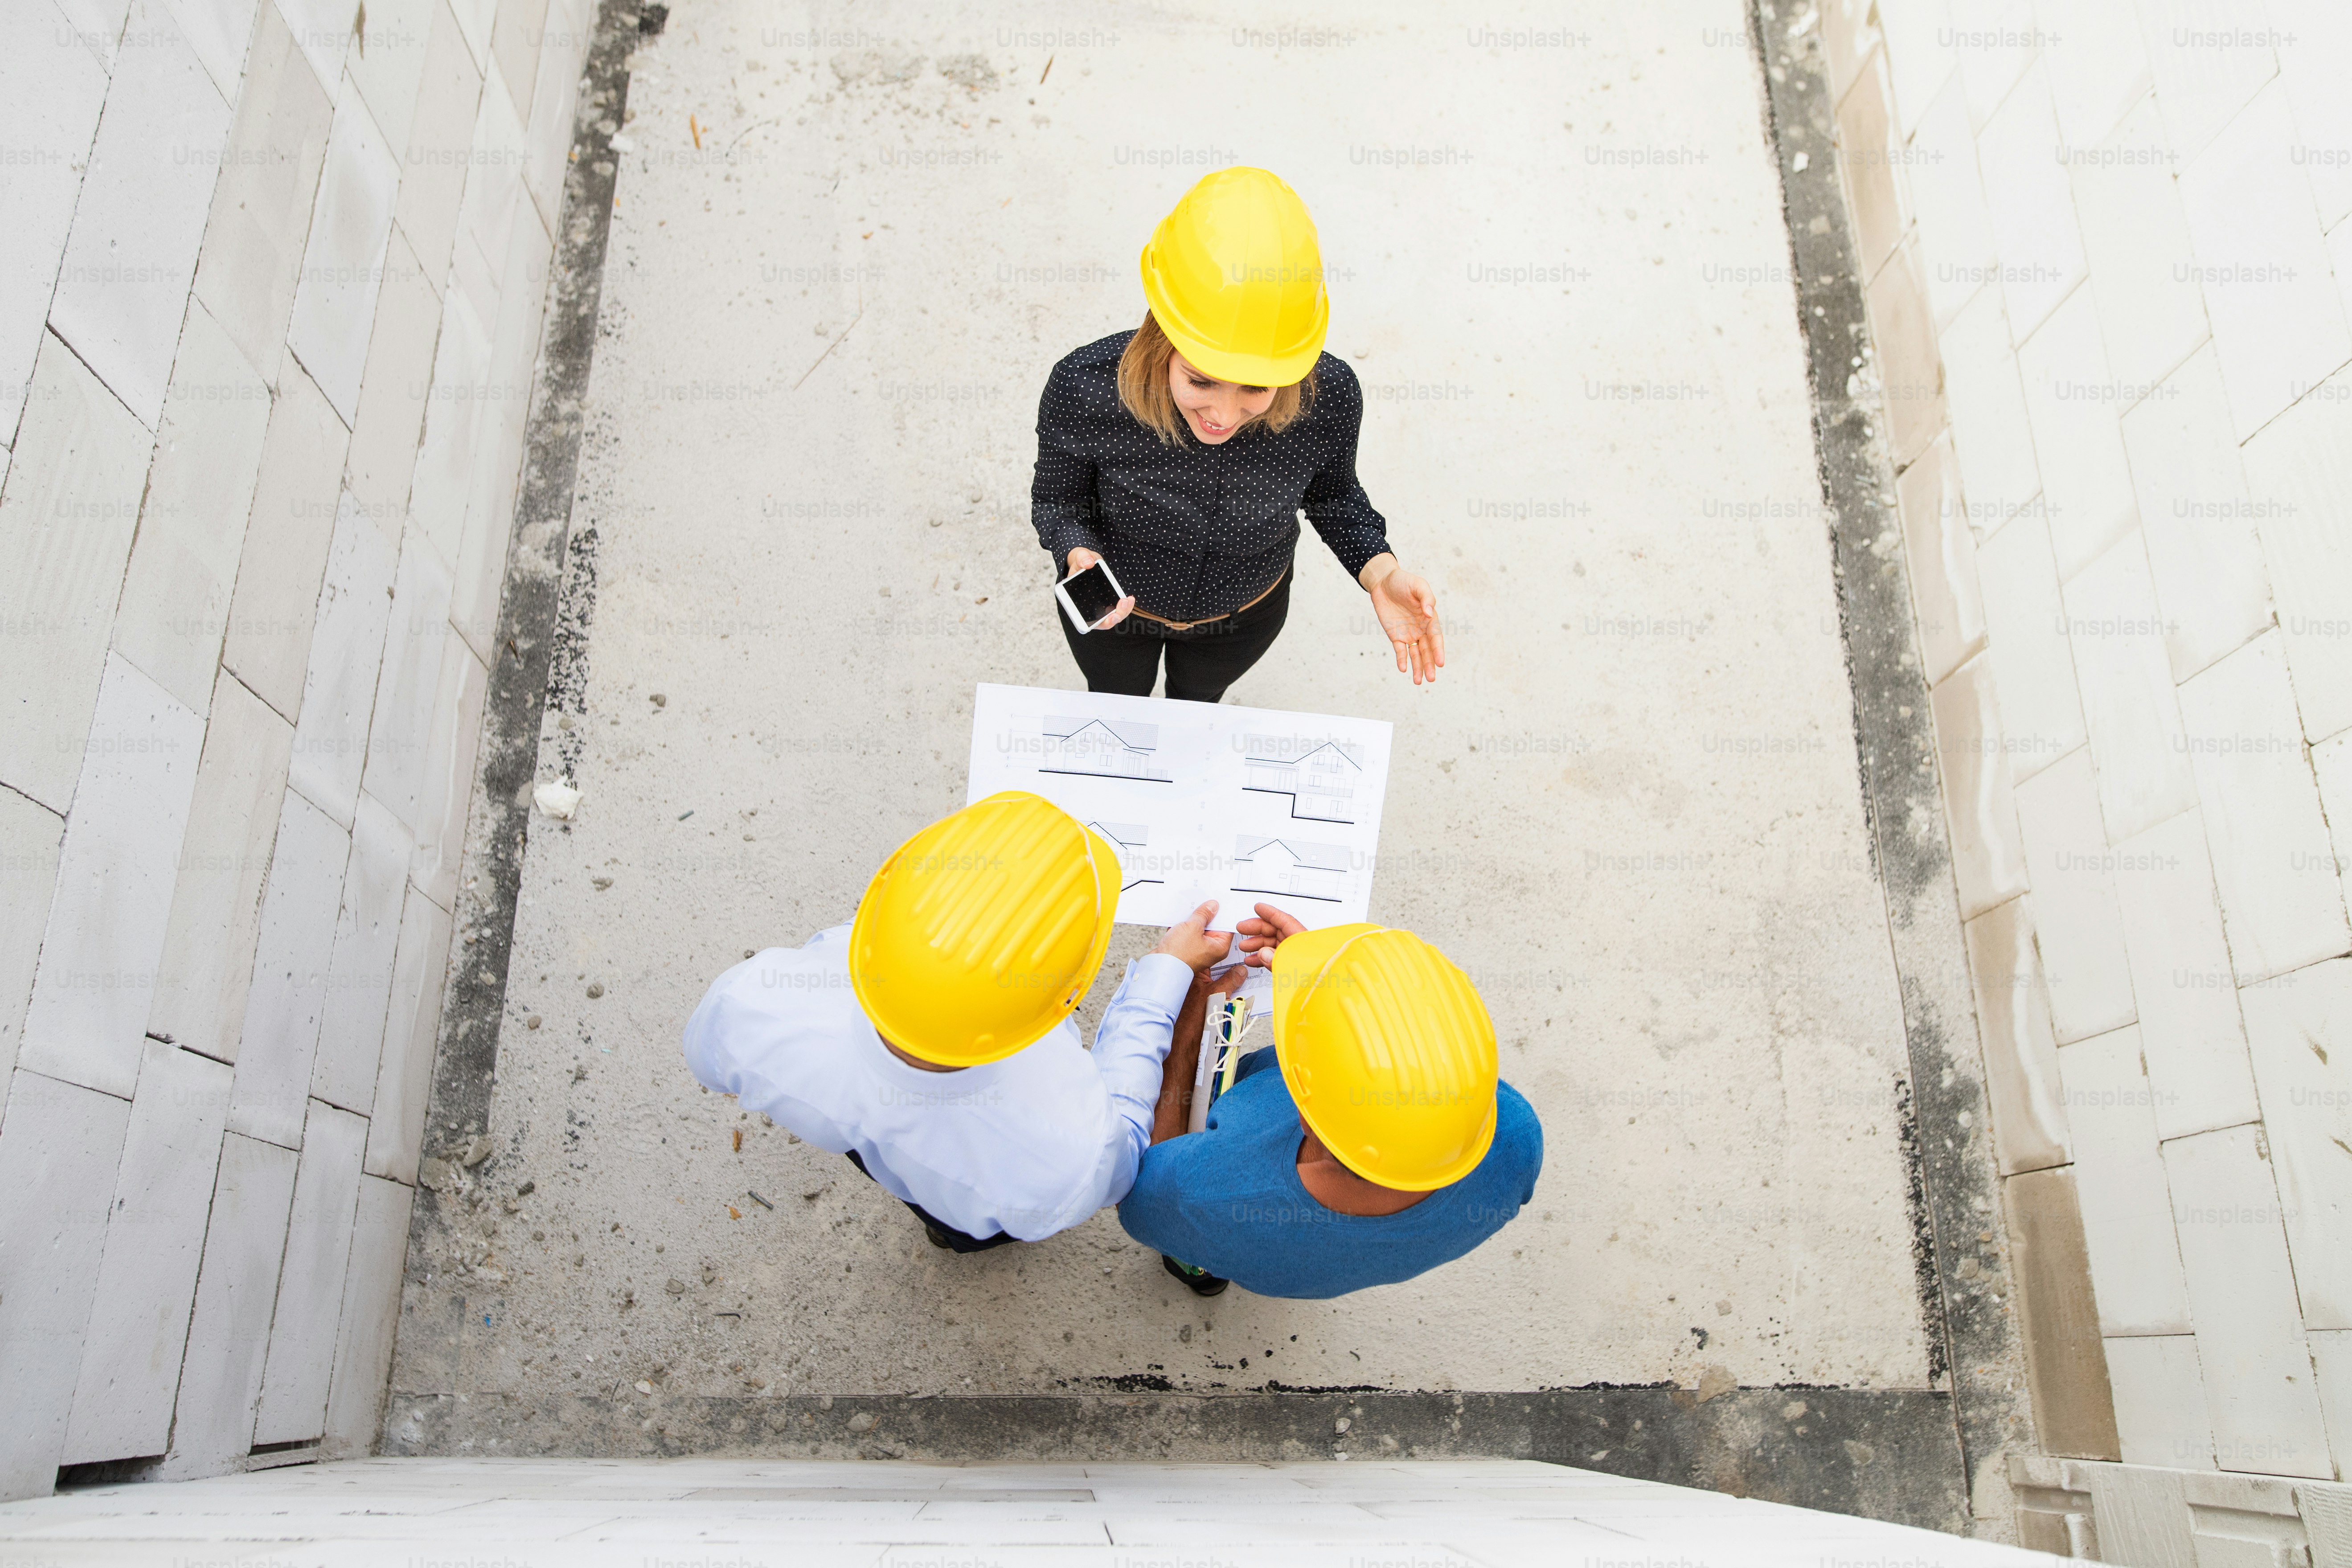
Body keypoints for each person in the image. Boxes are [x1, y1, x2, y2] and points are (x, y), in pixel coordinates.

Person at [682, 790, 1232, 1251]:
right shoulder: (1066, 1156)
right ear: (1066, 996)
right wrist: (1165, 975)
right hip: (984, 1196)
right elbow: (1127, 1145)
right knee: (965, 1226)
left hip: (851, 1125)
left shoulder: (745, 1003)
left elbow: (709, 1065)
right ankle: (957, 1236)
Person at [1031, 166, 1445, 704]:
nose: (1223, 416)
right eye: (1200, 380)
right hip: (1115, 616)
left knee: (1199, 703)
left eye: (1256, 387)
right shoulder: (1085, 386)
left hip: (1242, 619)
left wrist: (1381, 571)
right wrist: (1076, 551)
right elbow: (1057, 501)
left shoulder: (1329, 395)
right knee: (1114, 701)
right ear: (1163, 338)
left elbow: (1333, 496)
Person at [1119, 909, 1542, 1297]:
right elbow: (1409, 1053)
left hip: (1216, 1217)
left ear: (1304, 1120)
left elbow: (1138, 1183)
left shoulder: (1202, 1196)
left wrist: (1185, 1026)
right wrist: (1325, 978)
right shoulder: (1515, 1137)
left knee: (1192, 1236)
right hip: (1287, 1259)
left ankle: (1198, 1263)